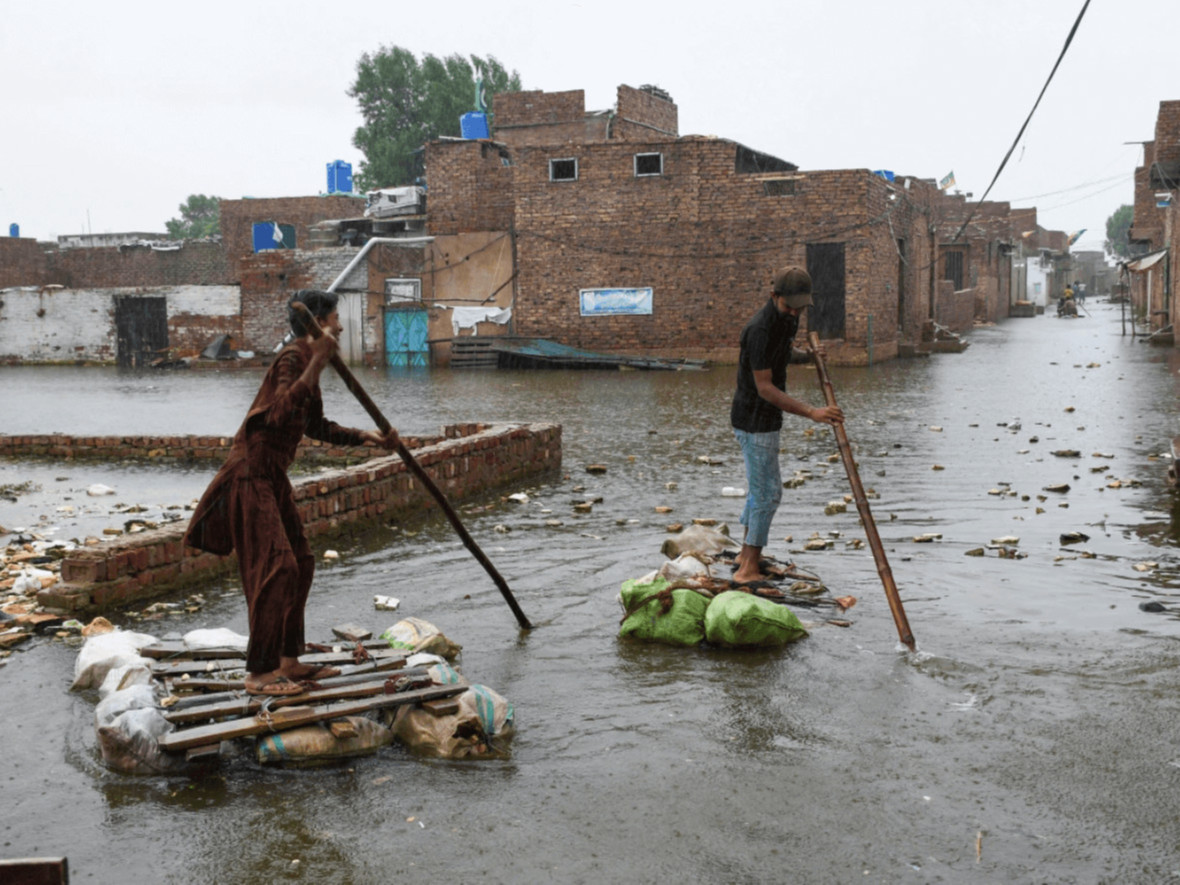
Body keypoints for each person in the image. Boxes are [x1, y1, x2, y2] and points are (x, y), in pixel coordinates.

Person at [183, 290, 399, 695]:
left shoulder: (307, 362)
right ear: (318, 323)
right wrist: (316, 361)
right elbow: (278, 412)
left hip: (273, 475)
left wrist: (367, 437)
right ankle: (259, 675)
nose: (339, 326)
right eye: (335, 318)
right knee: (277, 567)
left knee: (301, 560)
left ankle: (288, 661)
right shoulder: (294, 359)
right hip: (250, 474)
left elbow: (315, 426)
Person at [730, 267, 844, 587]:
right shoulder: (759, 329)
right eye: (788, 306)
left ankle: (745, 554)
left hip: (765, 419)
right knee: (768, 494)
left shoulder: (788, 319)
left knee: (759, 490)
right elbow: (765, 386)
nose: (794, 312)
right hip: (754, 420)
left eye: (799, 307)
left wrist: (806, 355)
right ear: (774, 296)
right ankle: (747, 570)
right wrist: (812, 412)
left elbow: (780, 355)